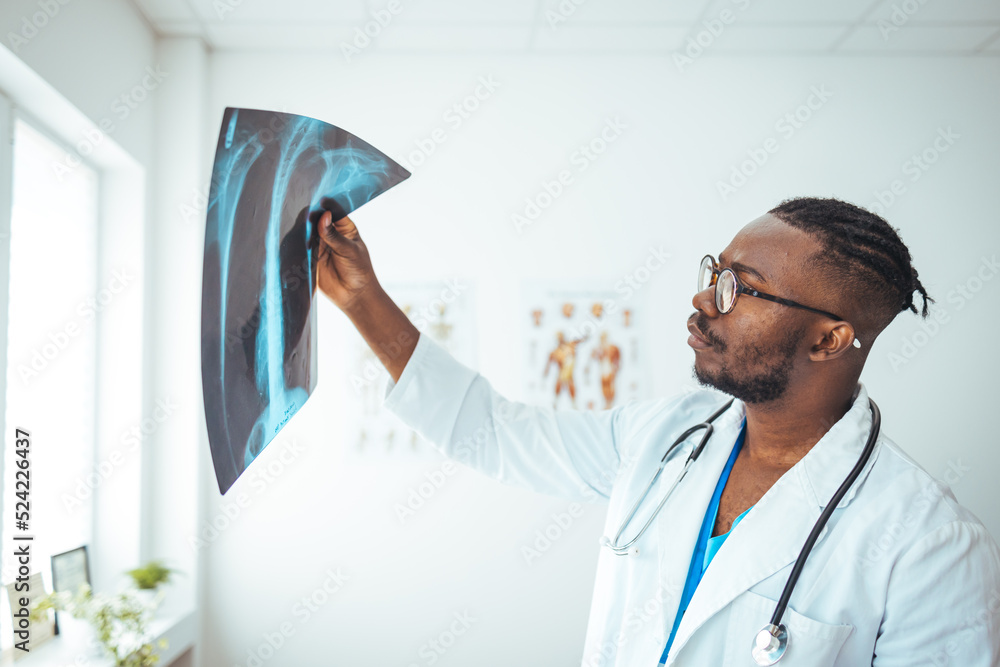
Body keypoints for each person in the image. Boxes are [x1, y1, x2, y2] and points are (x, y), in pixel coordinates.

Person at [315, 197, 1000, 666]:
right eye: (715, 272)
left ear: (829, 339)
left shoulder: (928, 545)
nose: (704, 300)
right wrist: (362, 300)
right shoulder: (668, 436)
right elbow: (495, 432)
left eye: (741, 287)